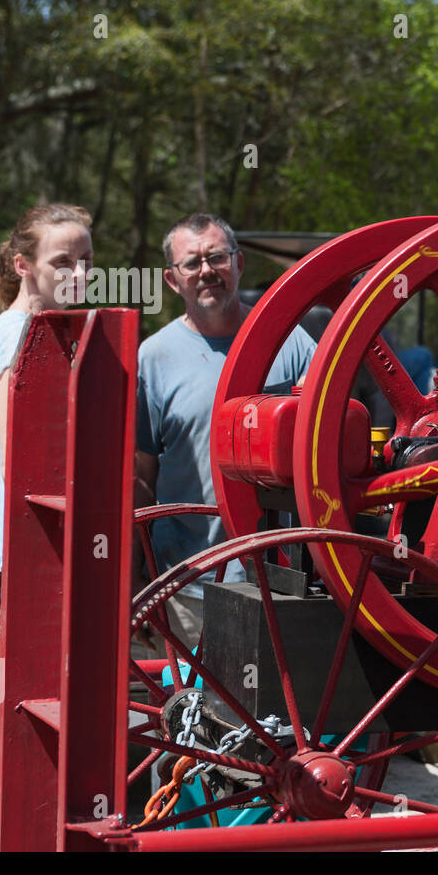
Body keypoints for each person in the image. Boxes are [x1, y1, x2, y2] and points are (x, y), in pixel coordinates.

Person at [0, 203, 94, 851]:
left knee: (29, 713)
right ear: (23, 266)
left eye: (86, 261)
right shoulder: (19, 341)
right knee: (16, 721)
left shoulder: (40, 331)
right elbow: (36, 457)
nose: (78, 274)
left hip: (33, 552)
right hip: (24, 559)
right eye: (61, 261)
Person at [135, 213, 315, 646]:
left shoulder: (292, 342)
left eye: (217, 257)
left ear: (239, 263)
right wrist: (135, 580)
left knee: (266, 711)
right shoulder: (153, 357)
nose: (206, 271)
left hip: (275, 581)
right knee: (192, 711)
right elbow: (141, 474)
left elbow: (319, 449)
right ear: (172, 280)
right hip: (185, 582)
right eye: (192, 263)